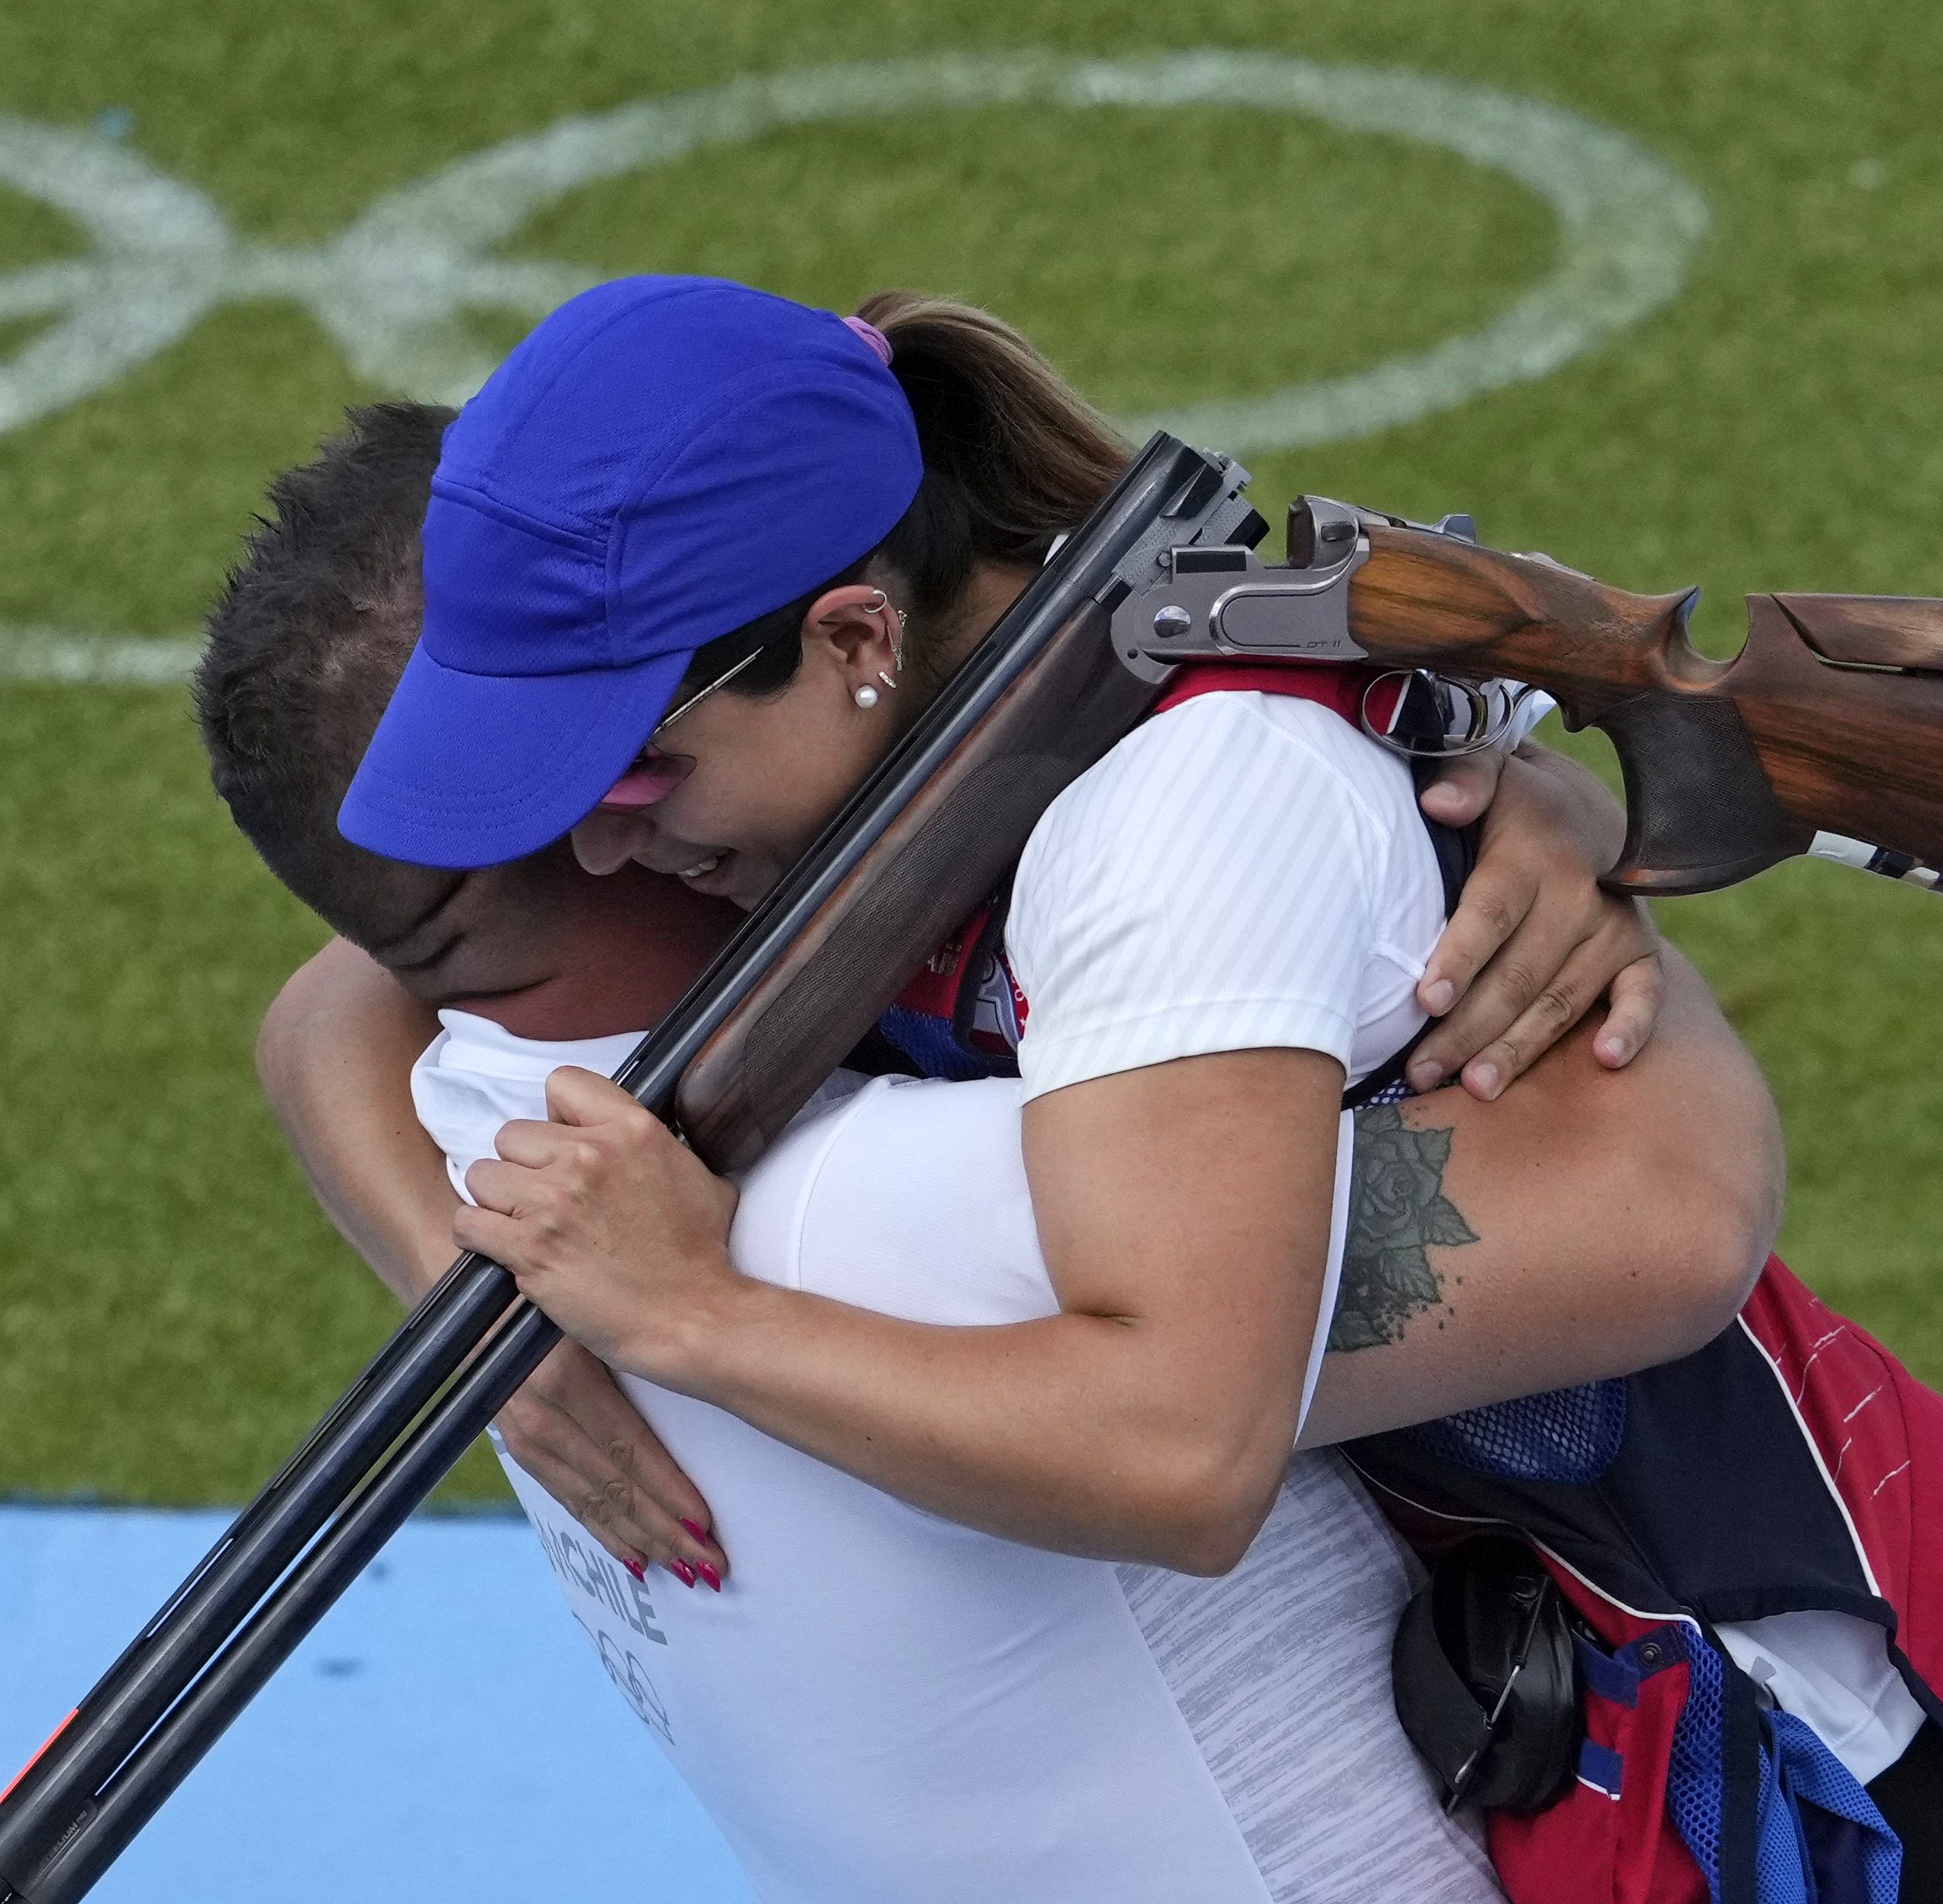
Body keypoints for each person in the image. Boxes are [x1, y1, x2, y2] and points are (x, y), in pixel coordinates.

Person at [194, 402, 1791, 1904]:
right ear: (618, 833)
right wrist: (1580, 868)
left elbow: (328, 1003)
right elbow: (1670, 1206)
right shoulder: (900, 1212)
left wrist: (448, 1272)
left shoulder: (482, 1118)